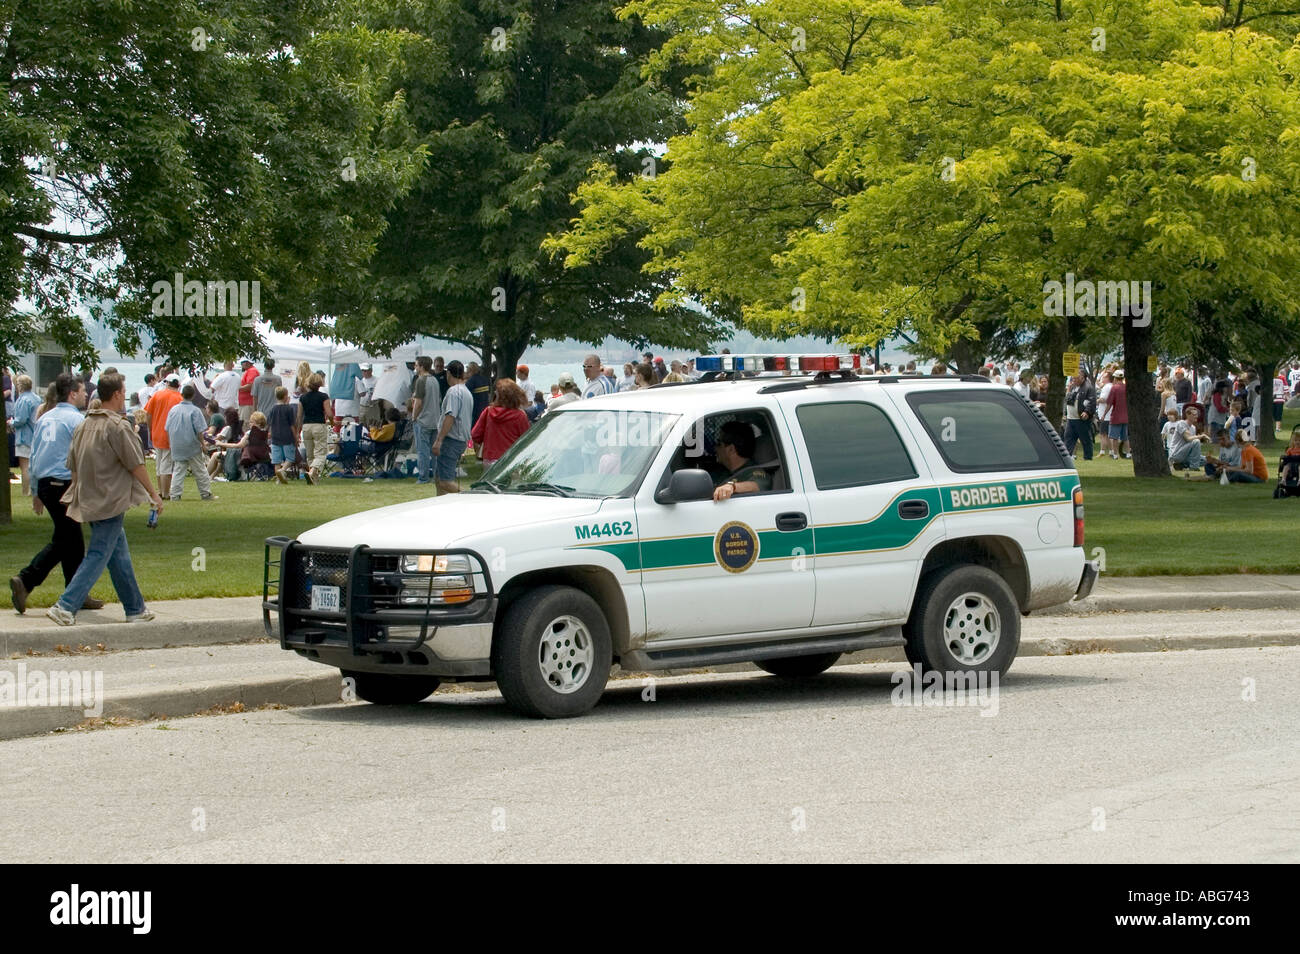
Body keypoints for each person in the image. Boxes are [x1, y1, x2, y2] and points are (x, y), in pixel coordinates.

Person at [45, 373, 165, 626]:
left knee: (117, 553)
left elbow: (72, 463)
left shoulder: (84, 424)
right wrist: (154, 495)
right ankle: (65, 605)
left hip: (88, 498)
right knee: (100, 552)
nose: (124, 395)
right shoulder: (117, 426)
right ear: (118, 394)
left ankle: (135, 609)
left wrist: (76, 491)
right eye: (123, 390)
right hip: (110, 500)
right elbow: (136, 464)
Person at [9, 375, 102, 614]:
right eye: (82, 391)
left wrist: (36, 491)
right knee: (65, 540)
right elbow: (84, 456)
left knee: (71, 539)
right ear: (72, 393)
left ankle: (76, 593)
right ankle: (26, 580)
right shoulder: (76, 420)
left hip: (46, 485)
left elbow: (36, 455)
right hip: (65, 483)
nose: (85, 395)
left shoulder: (45, 418)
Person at [164, 384, 218, 501]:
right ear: (193, 396)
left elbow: (168, 428)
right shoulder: (195, 411)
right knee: (200, 470)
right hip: (191, 445)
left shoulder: (173, 410)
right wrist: (203, 444)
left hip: (177, 444)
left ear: (181, 394)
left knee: (178, 470)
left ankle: (175, 495)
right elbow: (200, 430)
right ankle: (206, 493)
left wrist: (171, 443)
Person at [431, 360, 473, 495]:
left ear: (449, 373)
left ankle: (469, 498)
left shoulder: (454, 392)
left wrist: (439, 440)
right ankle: (440, 505)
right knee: (438, 478)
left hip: (452, 439)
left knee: (445, 481)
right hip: (460, 439)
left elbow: (450, 416)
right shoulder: (466, 392)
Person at [470, 378, 529, 467]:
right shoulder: (520, 416)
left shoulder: (488, 412)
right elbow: (526, 440)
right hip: (510, 459)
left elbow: (475, 435)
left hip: (489, 459)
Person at [144, 374, 184, 498]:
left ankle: (161, 491)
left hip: (156, 433)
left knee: (159, 464)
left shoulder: (157, 395)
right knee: (166, 465)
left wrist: (150, 429)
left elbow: (148, 414)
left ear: (167, 383)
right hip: (170, 435)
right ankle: (166, 493)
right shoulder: (179, 398)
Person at [711, 421, 772, 501]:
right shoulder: (724, 471)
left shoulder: (754, 472)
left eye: (719, 443)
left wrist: (732, 487)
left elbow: (757, 486)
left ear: (731, 449)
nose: (715, 448)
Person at [410, 356, 443, 485]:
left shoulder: (421, 381)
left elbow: (418, 403)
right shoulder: (434, 380)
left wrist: (414, 417)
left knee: (422, 450)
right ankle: (436, 475)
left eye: (417, 365)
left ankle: (423, 477)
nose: (415, 367)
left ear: (422, 366)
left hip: (423, 420)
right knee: (434, 451)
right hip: (435, 420)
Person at [298, 373, 332, 484]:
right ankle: (312, 471)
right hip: (319, 425)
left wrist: (298, 431)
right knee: (321, 453)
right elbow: (329, 413)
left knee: (310, 454)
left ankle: (314, 478)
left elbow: (299, 416)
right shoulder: (323, 397)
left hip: (306, 426)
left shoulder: (302, 397)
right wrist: (331, 422)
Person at [9, 374, 39, 496]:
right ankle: (34, 490)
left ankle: (26, 492)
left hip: (24, 436)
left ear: (19, 386)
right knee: (33, 466)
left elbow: (21, 419)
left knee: (25, 466)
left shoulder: (22, 400)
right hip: (35, 435)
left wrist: (10, 422)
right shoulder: (37, 398)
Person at [267, 386, 300, 484]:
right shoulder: (288, 409)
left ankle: (278, 479)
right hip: (287, 437)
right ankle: (283, 470)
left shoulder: (273, 408)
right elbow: (292, 425)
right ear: (285, 396)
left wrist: (269, 433)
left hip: (275, 437)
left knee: (276, 460)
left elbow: (269, 423)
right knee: (290, 458)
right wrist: (296, 437)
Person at [1063, 371, 1096, 461]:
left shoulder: (1088, 388)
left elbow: (1091, 402)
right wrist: (1068, 390)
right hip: (1071, 418)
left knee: (1085, 439)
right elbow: (1068, 401)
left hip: (1080, 419)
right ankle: (1067, 457)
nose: (1074, 380)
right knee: (1068, 438)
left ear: (1083, 378)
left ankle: (1088, 457)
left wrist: (1087, 412)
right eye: (1073, 378)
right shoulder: (1072, 387)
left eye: (1076, 378)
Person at [1168, 406, 1211, 473]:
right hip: (1176, 454)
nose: (1196, 416)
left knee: (1207, 460)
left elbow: (1191, 445)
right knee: (1196, 441)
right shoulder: (1181, 423)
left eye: (1197, 414)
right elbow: (1188, 438)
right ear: (1187, 415)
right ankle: (1194, 467)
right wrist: (1202, 436)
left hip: (1186, 454)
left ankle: (1182, 465)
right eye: (1194, 414)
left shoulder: (1193, 427)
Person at [1107, 370, 1130, 459]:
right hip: (1125, 416)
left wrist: (1104, 414)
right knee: (1125, 437)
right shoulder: (1126, 387)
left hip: (1116, 416)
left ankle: (1115, 454)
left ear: (1115, 378)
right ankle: (1128, 453)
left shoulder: (1114, 388)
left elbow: (1109, 403)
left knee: (1114, 437)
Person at [464, 361, 491, 425]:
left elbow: (465, 396)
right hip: (485, 409)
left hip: (475, 411)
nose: (466, 371)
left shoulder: (471, 381)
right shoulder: (485, 379)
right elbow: (488, 394)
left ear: (470, 370)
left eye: (467, 368)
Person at [236, 358, 258, 424]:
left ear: (247, 363)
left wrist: (237, 388)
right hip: (245, 403)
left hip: (247, 403)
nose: (241, 365)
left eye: (242, 363)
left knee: (245, 423)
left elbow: (251, 385)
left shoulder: (252, 371)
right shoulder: (250, 371)